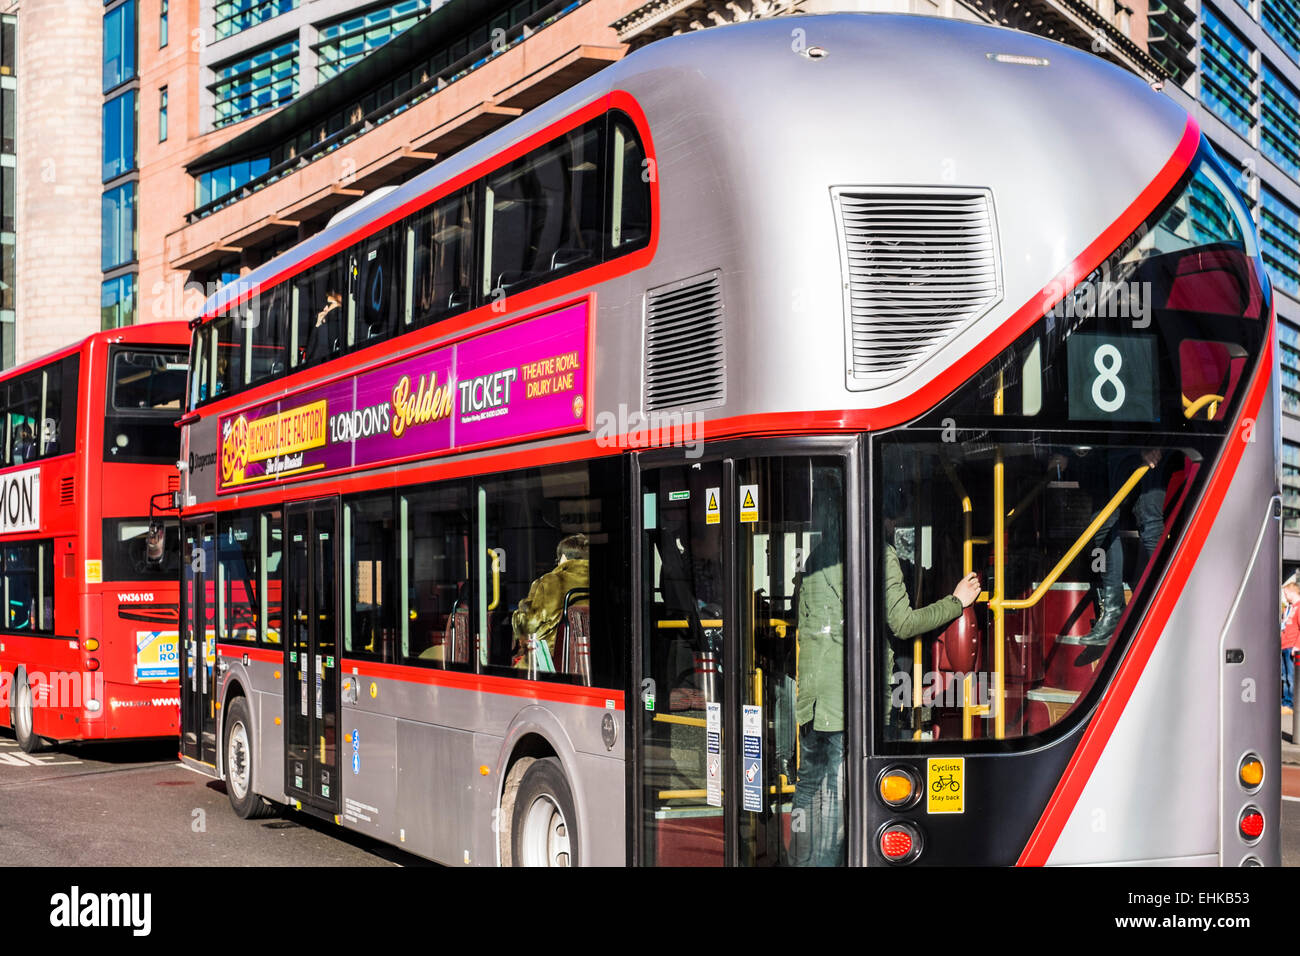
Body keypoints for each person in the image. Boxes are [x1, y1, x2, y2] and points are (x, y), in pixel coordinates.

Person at [1072, 447, 1165, 666]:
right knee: (1101, 522)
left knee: (1149, 520)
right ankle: (1113, 609)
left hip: (1150, 442)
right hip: (1112, 448)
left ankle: (1163, 602)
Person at [511, 534, 589, 671]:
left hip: (551, 660)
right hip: (585, 658)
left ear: (563, 558)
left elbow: (531, 624)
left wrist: (518, 616)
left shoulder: (552, 581)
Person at [303, 290, 343, 366]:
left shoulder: (334, 325)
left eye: (329, 304)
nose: (325, 308)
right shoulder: (322, 328)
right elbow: (309, 354)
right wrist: (318, 324)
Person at [1282, 581, 1300, 711]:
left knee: (1291, 676)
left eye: (1286, 593)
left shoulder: (1299, 607)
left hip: (1292, 647)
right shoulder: (1289, 608)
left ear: (1292, 592)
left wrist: (1297, 645)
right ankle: (1286, 702)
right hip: (1284, 646)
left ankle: (1292, 704)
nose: (1285, 596)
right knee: (1284, 676)